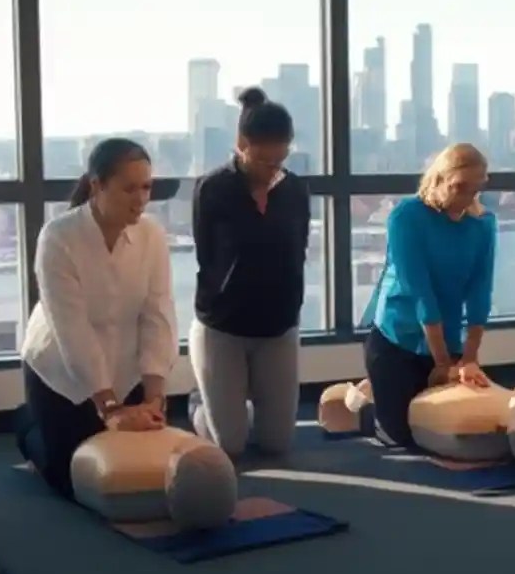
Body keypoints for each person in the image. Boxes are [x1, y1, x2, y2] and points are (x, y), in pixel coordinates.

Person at [16, 138, 177, 498]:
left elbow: (159, 315)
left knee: (142, 467)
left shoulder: (152, 234)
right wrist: (109, 407)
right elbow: (72, 330)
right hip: (61, 368)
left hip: (125, 365)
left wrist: (155, 398)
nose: (140, 199)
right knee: (71, 479)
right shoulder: (58, 237)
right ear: (96, 186)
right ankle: (25, 423)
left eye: (146, 187)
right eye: (129, 189)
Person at [189, 87, 310, 457]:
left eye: (279, 159)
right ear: (242, 144)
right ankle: (199, 405)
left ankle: (231, 404)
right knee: (230, 446)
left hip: (278, 328)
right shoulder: (212, 189)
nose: (271, 168)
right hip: (223, 326)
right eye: (263, 159)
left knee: (276, 443)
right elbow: (207, 255)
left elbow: (298, 252)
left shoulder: (294, 190)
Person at [361, 143, 498, 448]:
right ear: (440, 179)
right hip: (398, 339)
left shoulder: (482, 224)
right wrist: (442, 363)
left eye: (475, 190)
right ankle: (365, 402)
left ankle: (380, 393)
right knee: (403, 437)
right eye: (460, 188)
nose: (467, 198)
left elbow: (480, 291)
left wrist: (469, 359)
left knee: (459, 428)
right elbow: (420, 293)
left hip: (446, 340)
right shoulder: (406, 217)